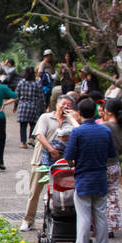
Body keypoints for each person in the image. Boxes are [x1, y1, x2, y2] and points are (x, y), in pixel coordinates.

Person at [62, 98, 113, 243]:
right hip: (100, 179)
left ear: (79, 113)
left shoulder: (78, 132)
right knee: (101, 216)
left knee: (84, 217)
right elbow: (112, 156)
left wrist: (73, 166)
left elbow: (68, 156)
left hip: (84, 178)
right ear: (96, 112)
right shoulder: (105, 131)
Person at [20, 96, 78, 232]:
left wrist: (74, 119)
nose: (66, 107)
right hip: (41, 160)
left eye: (69, 105)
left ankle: (62, 220)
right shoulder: (46, 117)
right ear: (57, 104)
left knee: (64, 192)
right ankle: (28, 220)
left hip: (62, 163)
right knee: (34, 192)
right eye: (63, 103)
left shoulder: (72, 121)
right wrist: (51, 150)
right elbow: (39, 135)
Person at [101, 97, 122, 237]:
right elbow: (121, 150)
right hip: (116, 165)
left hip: (104, 165)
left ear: (108, 111)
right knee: (113, 195)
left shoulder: (104, 127)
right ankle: (112, 226)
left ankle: (102, 225)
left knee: (101, 196)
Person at [15, 68, 45, 148]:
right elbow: (41, 97)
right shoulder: (37, 83)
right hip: (33, 106)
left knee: (23, 126)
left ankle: (23, 143)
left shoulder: (21, 82)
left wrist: (15, 106)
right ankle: (31, 138)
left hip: (23, 106)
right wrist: (43, 107)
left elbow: (16, 95)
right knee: (33, 124)